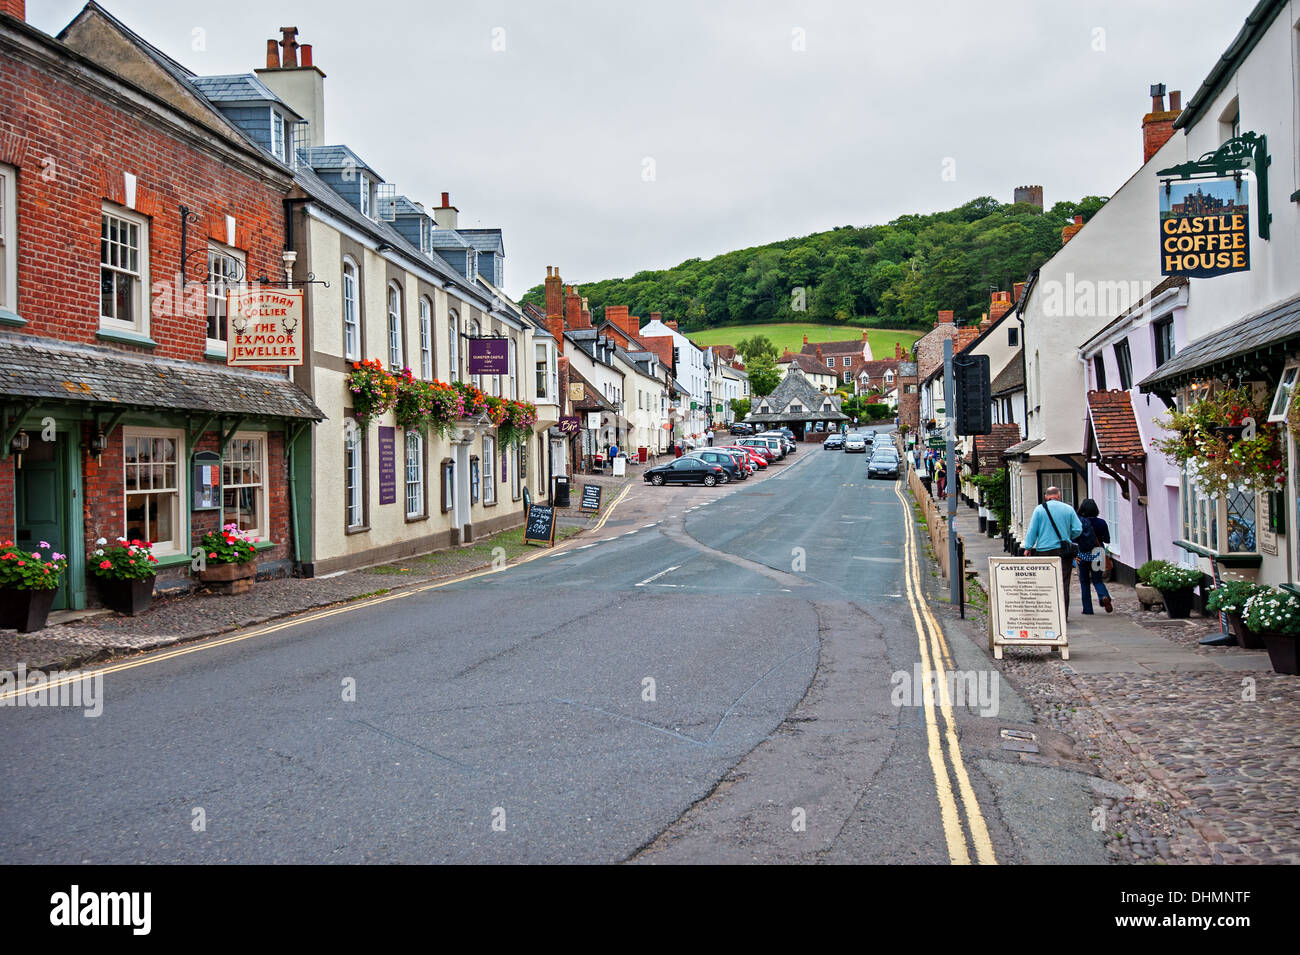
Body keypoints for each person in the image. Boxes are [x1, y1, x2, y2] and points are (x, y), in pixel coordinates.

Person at [1022, 486, 1084, 616]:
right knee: (1063, 583)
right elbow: (1078, 529)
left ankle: (1048, 616)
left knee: (1044, 584)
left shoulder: (1039, 510)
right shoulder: (1068, 509)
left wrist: (1028, 547)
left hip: (1044, 551)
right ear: (1059, 496)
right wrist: (1067, 536)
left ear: (1046, 496)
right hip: (1063, 551)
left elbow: (1033, 530)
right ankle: (1063, 615)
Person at [1076, 498, 1114, 614]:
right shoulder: (1101, 522)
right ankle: (1103, 596)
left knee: (1084, 582)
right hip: (1098, 554)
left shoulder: (1079, 522)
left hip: (1083, 555)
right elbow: (1107, 540)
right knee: (1098, 580)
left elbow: (1074, 538)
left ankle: (1087, 609)